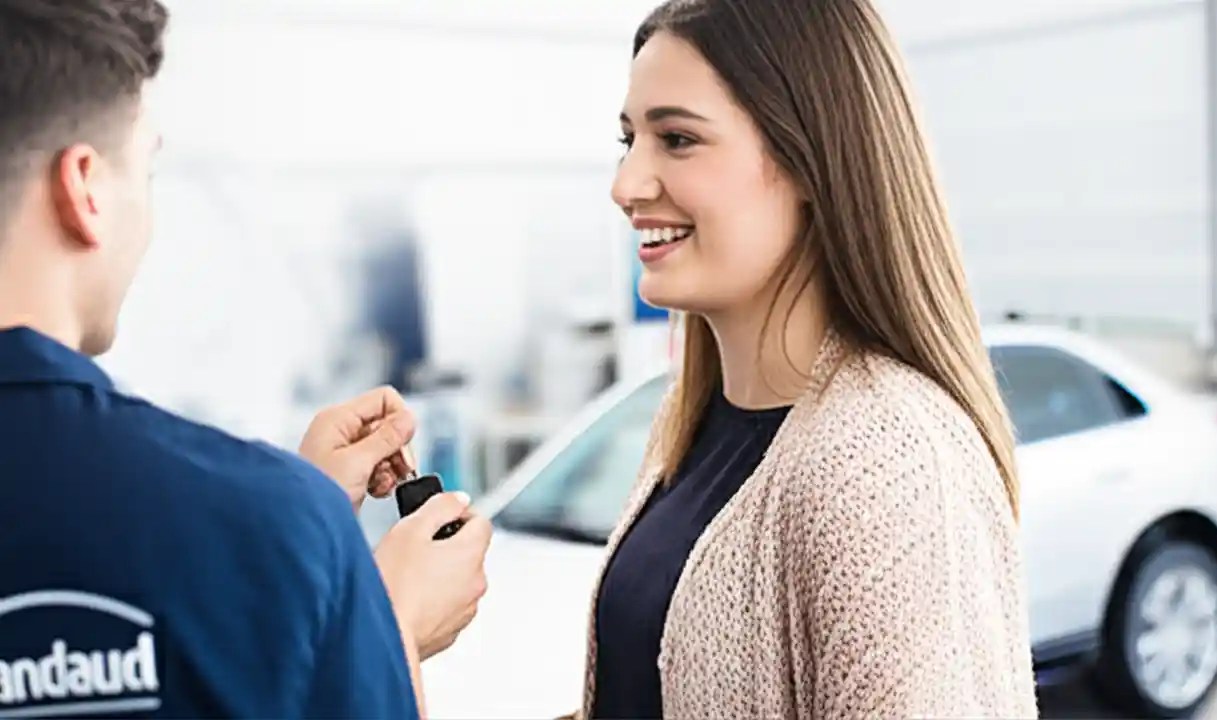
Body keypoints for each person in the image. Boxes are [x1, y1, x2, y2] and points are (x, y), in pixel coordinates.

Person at [0, 1, 490, 718]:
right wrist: (381, 625)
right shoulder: (275, 527)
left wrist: (297, 527)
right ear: (86, 189)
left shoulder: (283, 523)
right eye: (147, 169)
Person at [569, 0, 1039, 718]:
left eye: (677, 138)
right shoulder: (691, 423)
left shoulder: (884, 462)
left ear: (811, 159)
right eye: (629, 139)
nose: (626, 185)